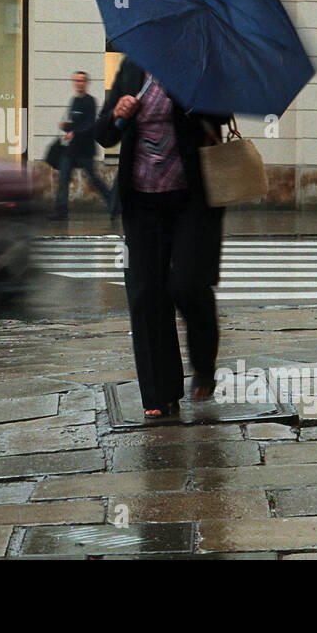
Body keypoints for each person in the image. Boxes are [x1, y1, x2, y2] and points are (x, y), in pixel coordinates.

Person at [94, 56, 229, 418]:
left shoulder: (198, 65)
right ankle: (159, 394)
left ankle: (203, 364)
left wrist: (190, 96)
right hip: (142, 202)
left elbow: (218, 118)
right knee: (146, 293)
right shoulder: (132, 67)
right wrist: (119, 113)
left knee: (187, 284)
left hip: (192, 200)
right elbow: (104, 132)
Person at [52, 70, 113, 219]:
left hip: (85, 149)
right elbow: (76, 123)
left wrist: (74, 132)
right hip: (71, 149)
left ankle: (114, 204)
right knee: (63, 177)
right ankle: (61, 212)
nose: (78, 83)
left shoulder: (90, 101)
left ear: (86, 83)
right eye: (76, 81)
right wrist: (66, 126)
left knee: (94, 179)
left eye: (81, 81)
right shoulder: (74, 101)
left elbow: (89, 124)